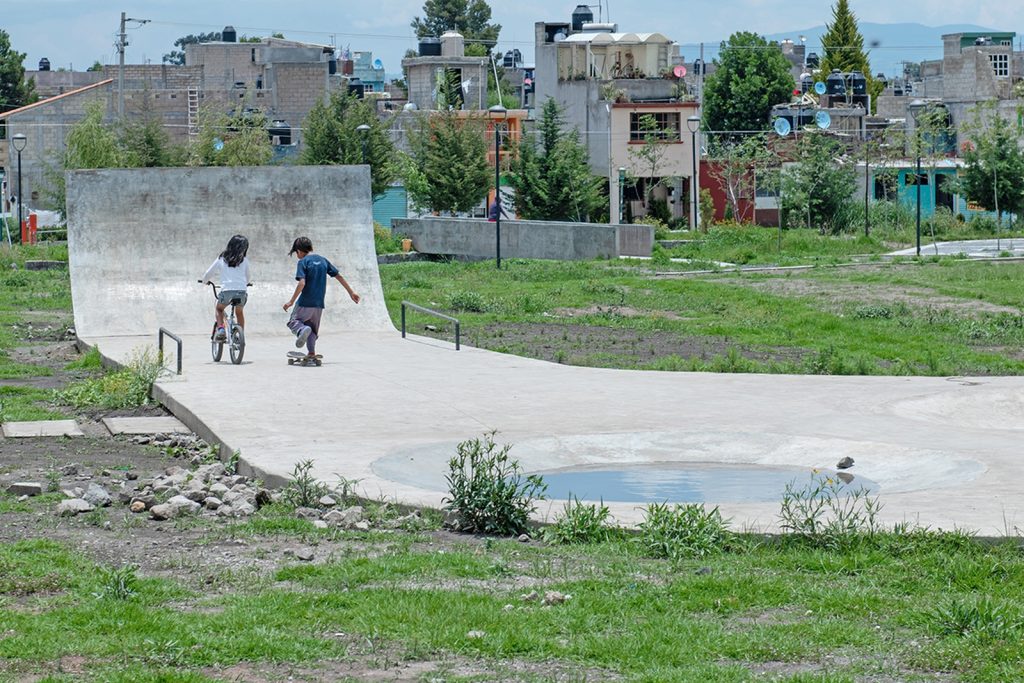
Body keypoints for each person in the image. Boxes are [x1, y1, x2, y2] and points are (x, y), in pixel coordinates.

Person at [282, 236, 360, 356]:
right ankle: (311, 352)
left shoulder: (303, 262)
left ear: (298, 250)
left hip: (305, 302)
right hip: (319, 304)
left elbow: (302, 283)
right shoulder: (323, 260)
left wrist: (291, 301)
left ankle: (302, 330)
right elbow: (338, 276)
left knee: (294, 322)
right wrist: (351, 292)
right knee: (312, 329)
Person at [202, 234, 250, 341]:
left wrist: (205, 281)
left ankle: (221, 329)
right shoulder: (245, 260)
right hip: (241, 292)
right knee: (239, 312)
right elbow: (248, 277)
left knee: (219, 309)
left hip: (227, 292)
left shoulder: (222, 258)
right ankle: (239, 335)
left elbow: (208, 273)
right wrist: (245, 283)